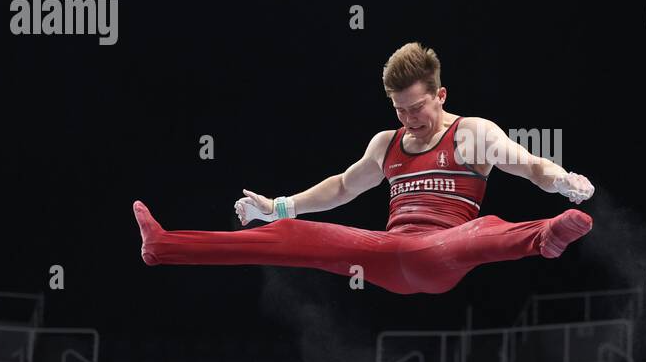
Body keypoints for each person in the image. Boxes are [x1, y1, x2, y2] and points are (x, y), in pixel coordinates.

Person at [133, 43, 594, 294]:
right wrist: (279, 207)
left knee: (484, 228)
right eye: (399, 110)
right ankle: (165, 245)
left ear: (441, 95)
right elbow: (341, 188)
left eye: (417, 108)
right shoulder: (385, 143)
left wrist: (563, 181)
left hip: (442, 255)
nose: (409, 119)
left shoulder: (473, 133)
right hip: (389, 254)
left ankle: (544, 236)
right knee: (291, 235)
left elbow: (530, 165)